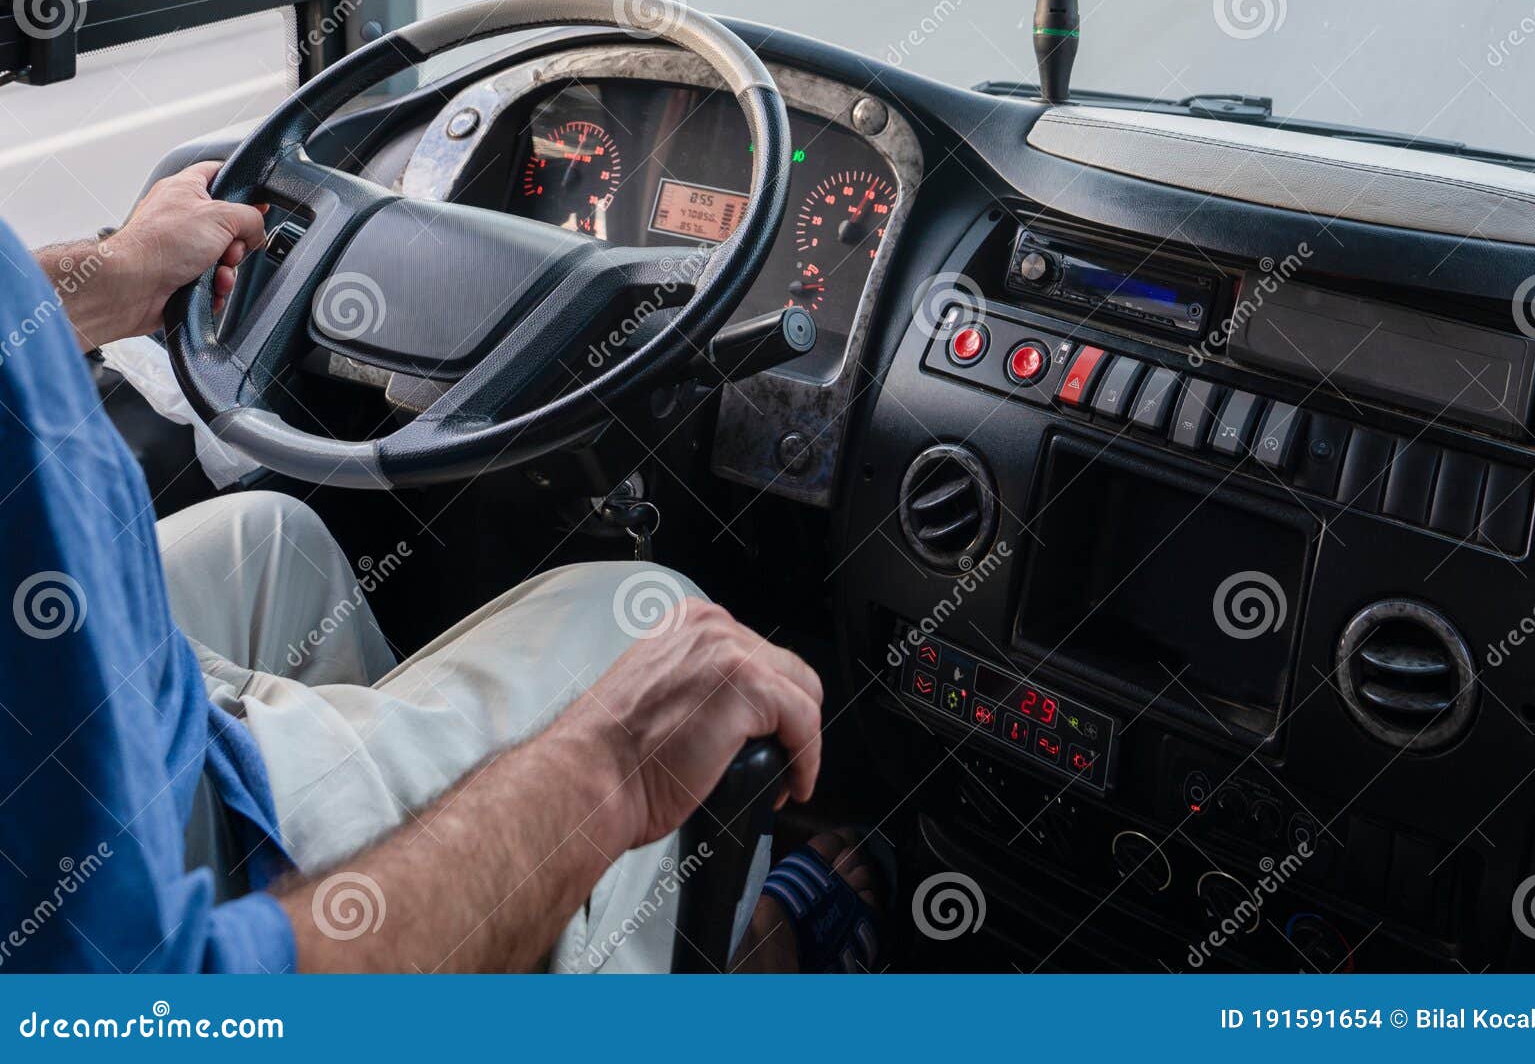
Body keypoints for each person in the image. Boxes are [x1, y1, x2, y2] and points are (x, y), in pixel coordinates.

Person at [0, 161, 882, 972]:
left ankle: (410, 854)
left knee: (269, 540)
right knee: (645, 612)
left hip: (113, 702)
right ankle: (726, 951)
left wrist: (103, 278)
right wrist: (611, 762)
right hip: (128, 903)